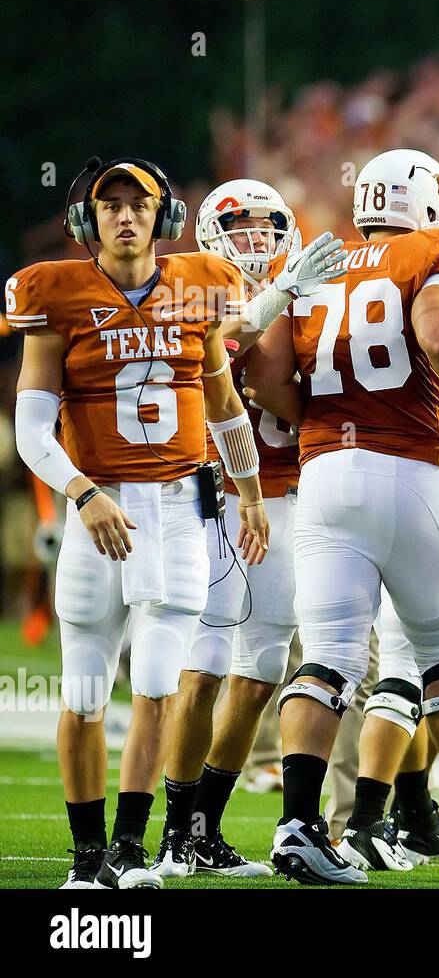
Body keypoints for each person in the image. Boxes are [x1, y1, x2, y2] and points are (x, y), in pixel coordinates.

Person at [241, 148, 439, 884]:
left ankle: (300, 824)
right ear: (426, 200)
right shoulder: (432, 248)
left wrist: (325, 425)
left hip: (324, 472)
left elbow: (265, 373)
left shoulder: (316, 259)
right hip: (411, 467)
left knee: (328, 655)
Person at [10, 157, 271, 888]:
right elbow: (33, 428)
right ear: (86, 219)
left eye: (139, 203)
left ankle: (130, 850)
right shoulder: (54, 293)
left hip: (181, 508)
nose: (125, 216)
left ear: (165, 216)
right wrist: (84, 492)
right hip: (100, 508)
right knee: (86, 691)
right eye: (110, 204)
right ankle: (87, 859)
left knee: (157, 683)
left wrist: (249, 491)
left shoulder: (200, 287)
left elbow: (222, 400)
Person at [153, 178, 302, 879]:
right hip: (213, 493)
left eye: (269, 227)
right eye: (242, 228)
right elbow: (230, 332)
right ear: (213, 234)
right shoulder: (191, 283)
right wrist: (279, 300)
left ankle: (205, 825)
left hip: (285, 495)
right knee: (206, 659)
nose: (258, 242)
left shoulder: (310, 297)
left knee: (264, 665)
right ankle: (172, 833)